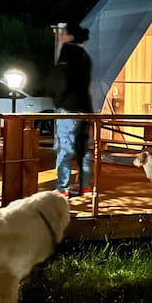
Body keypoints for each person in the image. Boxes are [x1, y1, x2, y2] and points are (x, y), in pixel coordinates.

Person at [52, 23, 93, 198]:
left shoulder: (67, 53)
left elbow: (62, 81)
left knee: (64, 148)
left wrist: (58, 100)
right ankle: (85, 186)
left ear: (70, 37)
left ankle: (63, 188)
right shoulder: (86, 56)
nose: (61, 36)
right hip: (85, 108)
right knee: (83, 150)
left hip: (68, 108)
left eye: (64, 33)